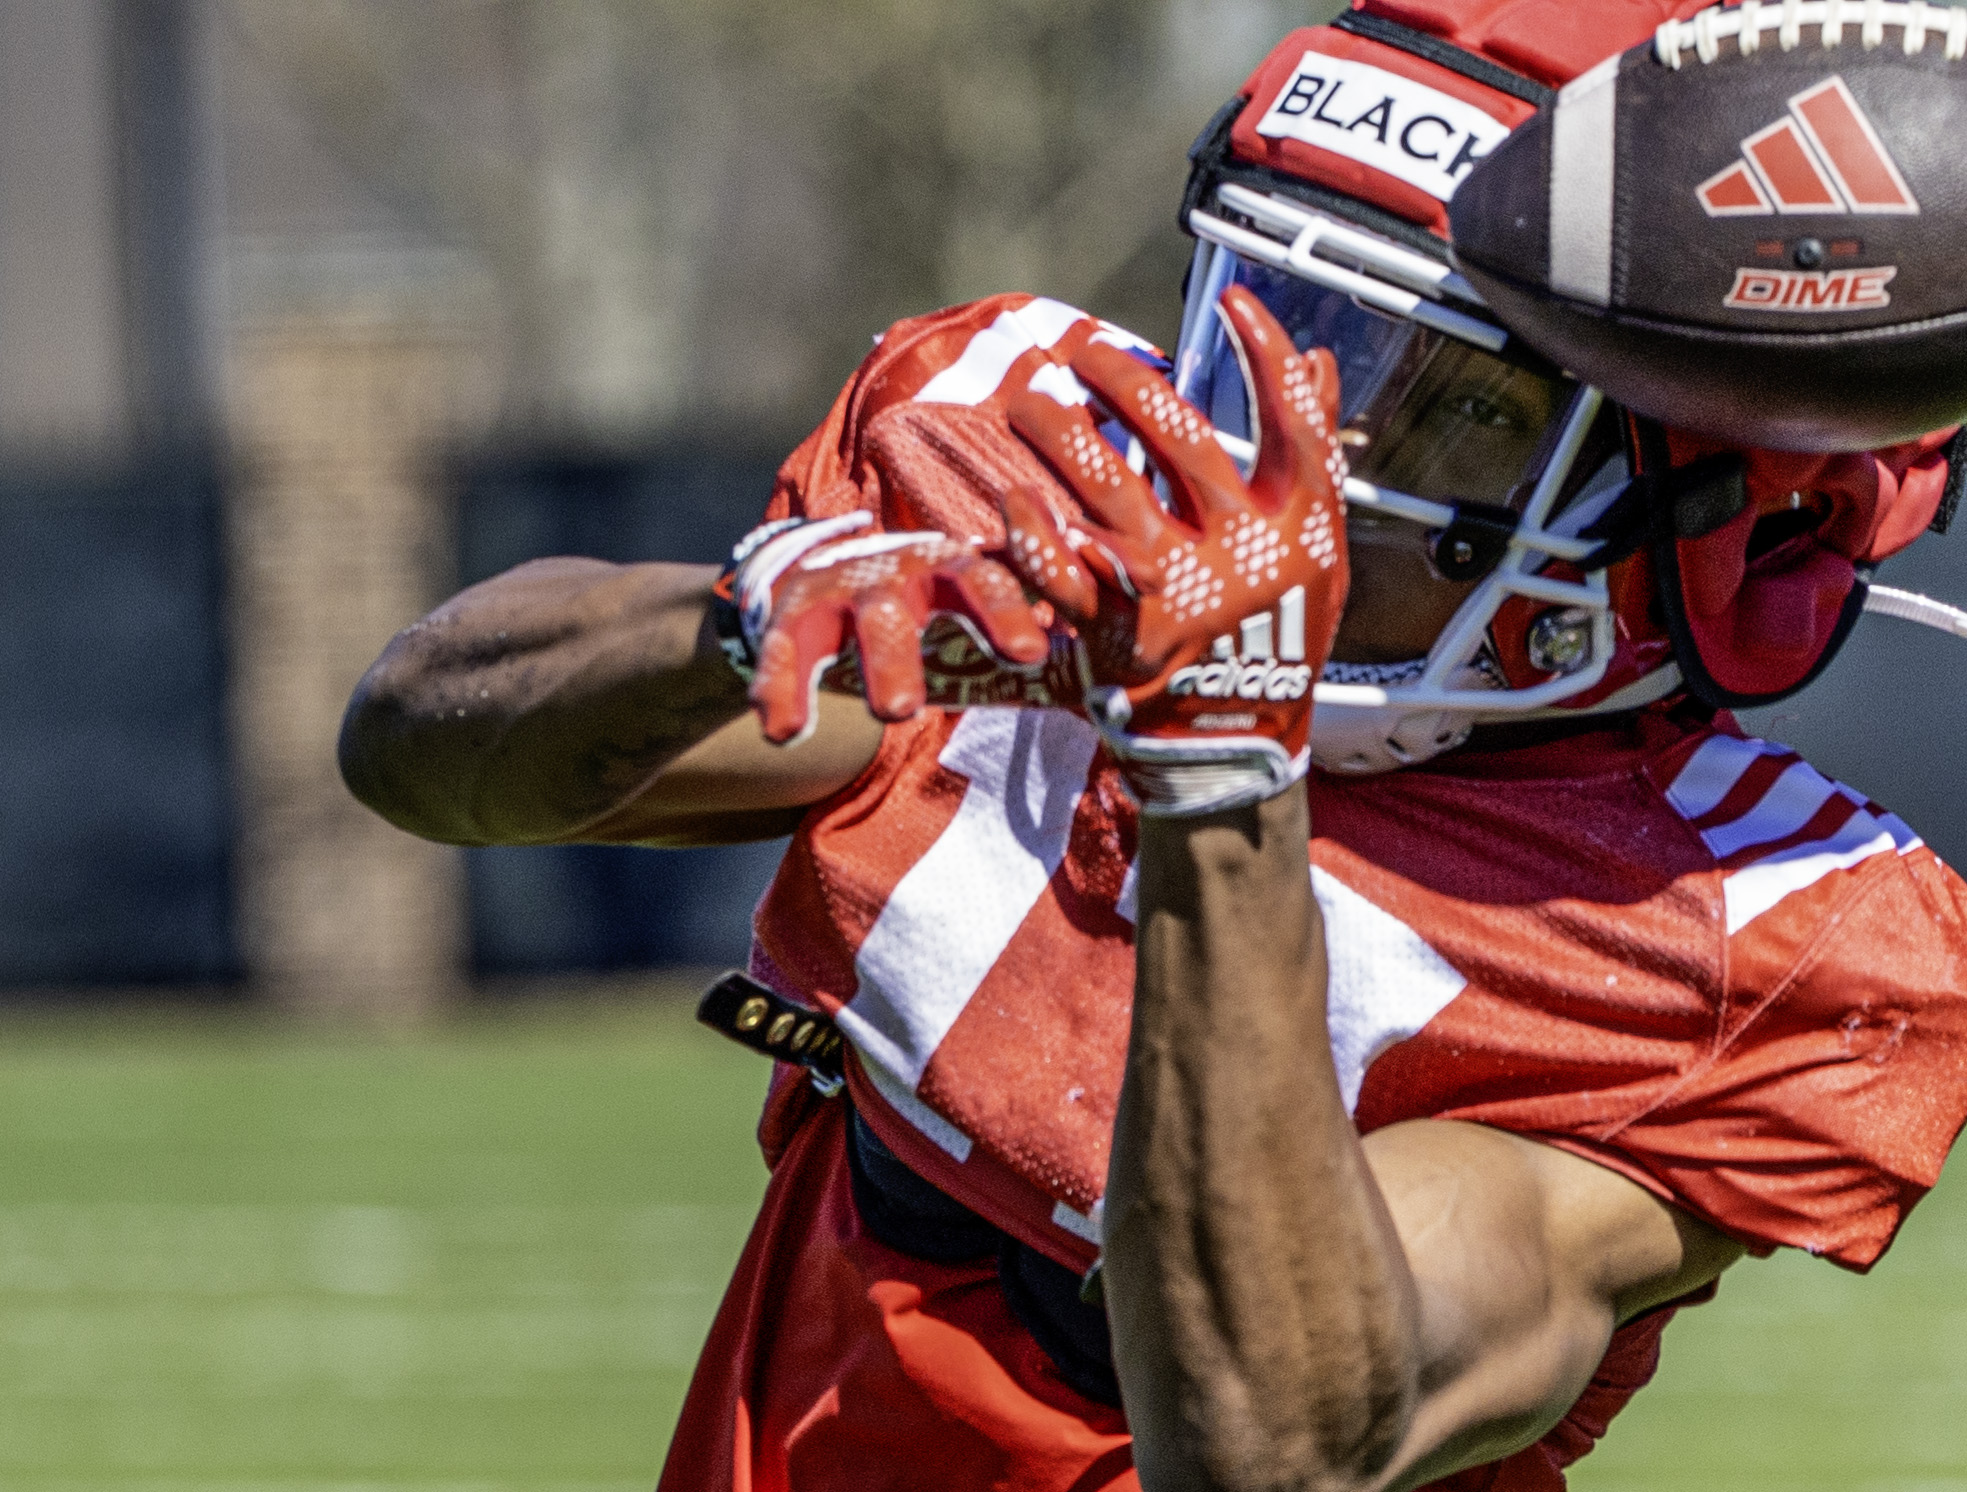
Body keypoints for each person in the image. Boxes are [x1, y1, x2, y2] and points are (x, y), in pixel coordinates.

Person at [338, 3, 1967, 1489]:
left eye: (1458, 403)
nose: (1307, 442)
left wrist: (1223, 783)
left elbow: (1278, 1444)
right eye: (1288, 315)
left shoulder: (1767, 935)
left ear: (1721, 529)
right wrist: (742, 615)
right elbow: (416, 753)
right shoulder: (1023, 464)